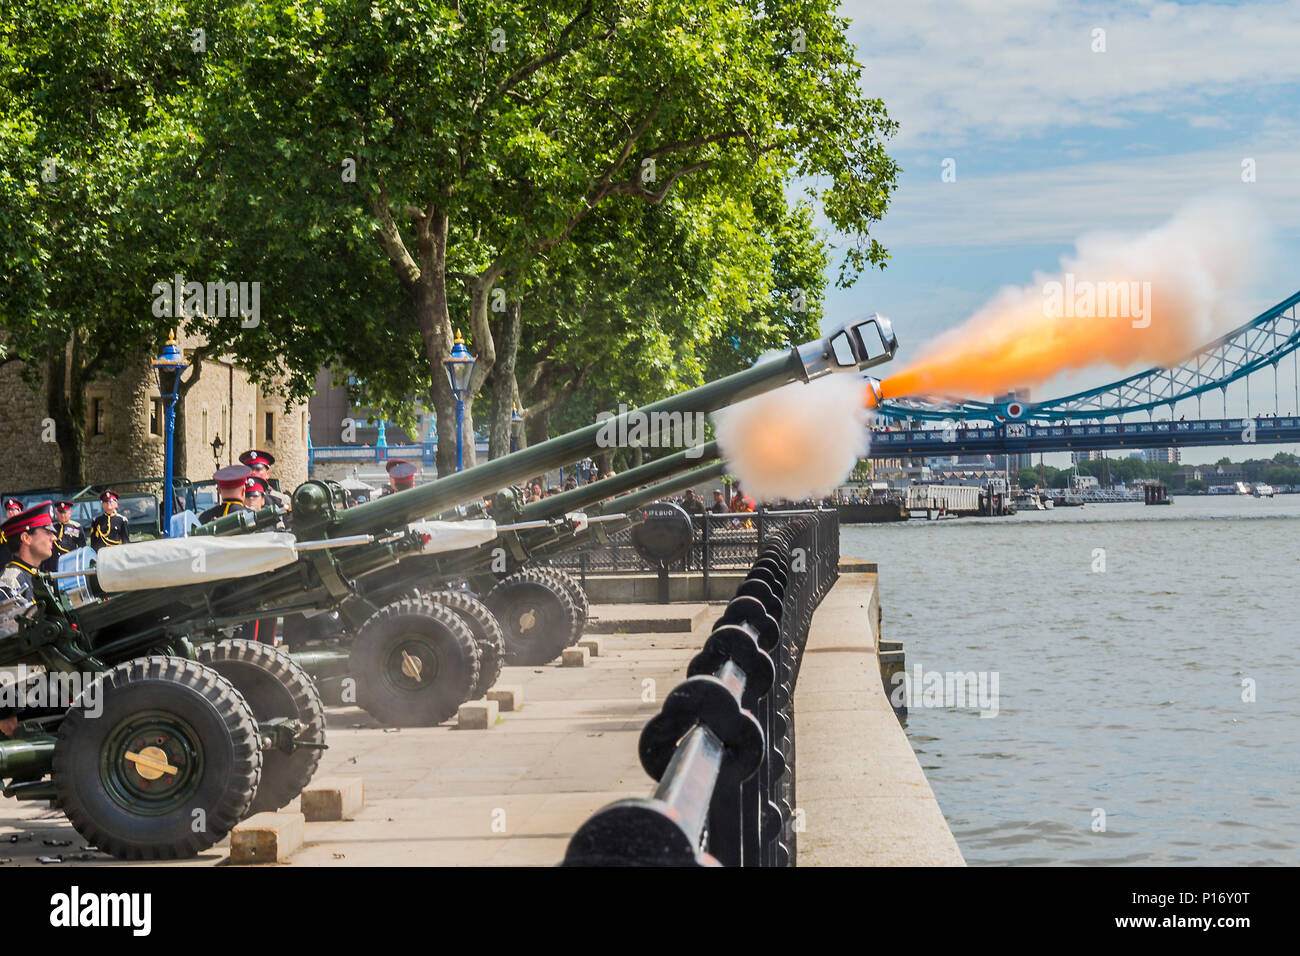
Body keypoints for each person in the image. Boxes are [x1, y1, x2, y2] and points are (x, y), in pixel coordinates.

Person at [0, 502, 58, 738]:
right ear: (26, 538)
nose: (54, 538)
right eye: (48, 532)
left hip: (42, 687)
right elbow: (6, 653)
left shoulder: (35, 579)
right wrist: (6, 709)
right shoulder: (10, 585)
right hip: (23, 701)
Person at [41, 500, 86, 573]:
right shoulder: (51, 527)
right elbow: (44, 547)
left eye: (65, 512)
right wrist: (45, 567)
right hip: (53, 566)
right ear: (56, 513)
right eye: (60, 513)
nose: (62, 515)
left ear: (70, 513)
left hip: (70, 565)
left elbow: (82, 548)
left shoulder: (76, 527)